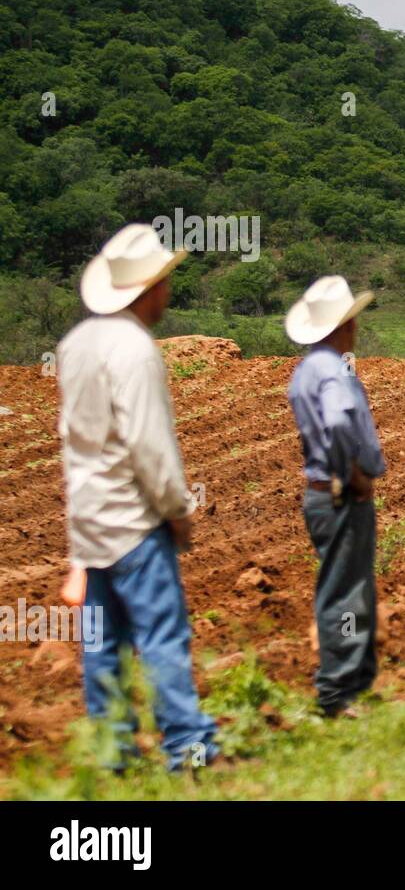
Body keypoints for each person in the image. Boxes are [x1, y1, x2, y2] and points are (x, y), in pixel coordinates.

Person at [57, 223, 219, 772]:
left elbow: (73, 443)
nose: (168, 292)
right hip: (135, 522)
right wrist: (178, 511)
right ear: (148, 289)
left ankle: (113, 754)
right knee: (163, 639)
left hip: (91, 524)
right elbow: (149, 446)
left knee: (102, 645)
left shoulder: (75, 346)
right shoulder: (136, 350)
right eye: (165, 282)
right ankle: (189, 751)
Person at [285, 276, 386, 718]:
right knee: (343, 593)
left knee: (352, 587)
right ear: (343, 324)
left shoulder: (306, 369)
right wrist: (352, 474)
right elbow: (341, 421)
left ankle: (356, 682)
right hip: (340, 494)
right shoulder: (333, 369)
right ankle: (336, 693)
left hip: (322, 494)